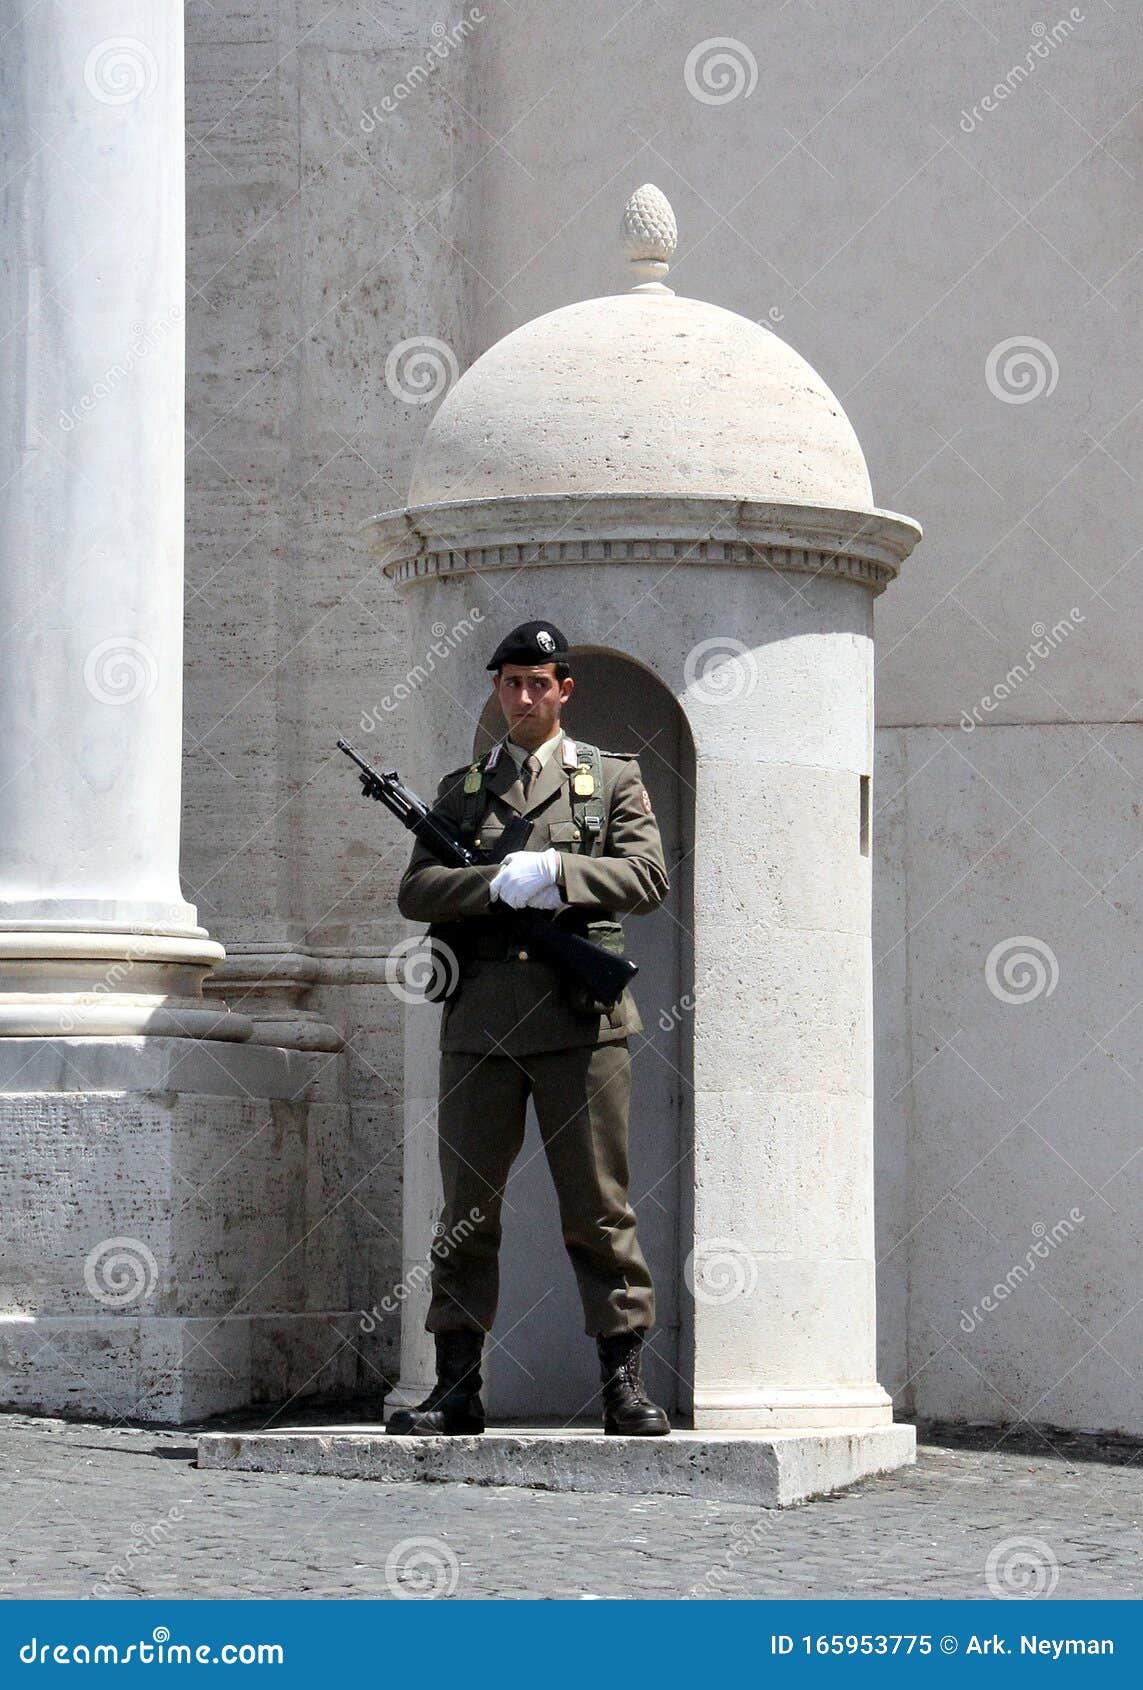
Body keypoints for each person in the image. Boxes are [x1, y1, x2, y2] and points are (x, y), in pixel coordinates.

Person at [386, 619, 672, 1437]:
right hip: (480, 1028)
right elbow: (417, 892)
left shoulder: (610, 779)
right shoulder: (465, 790)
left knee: (598, 1210)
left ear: (563, 689)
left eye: (537, 682)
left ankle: (622, 1386)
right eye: (510, 681)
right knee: (466, 1213)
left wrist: (555, 874)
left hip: (580, 1026)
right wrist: (490, 888)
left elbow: (645, 875)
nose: (522, 696)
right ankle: (454, 1390)